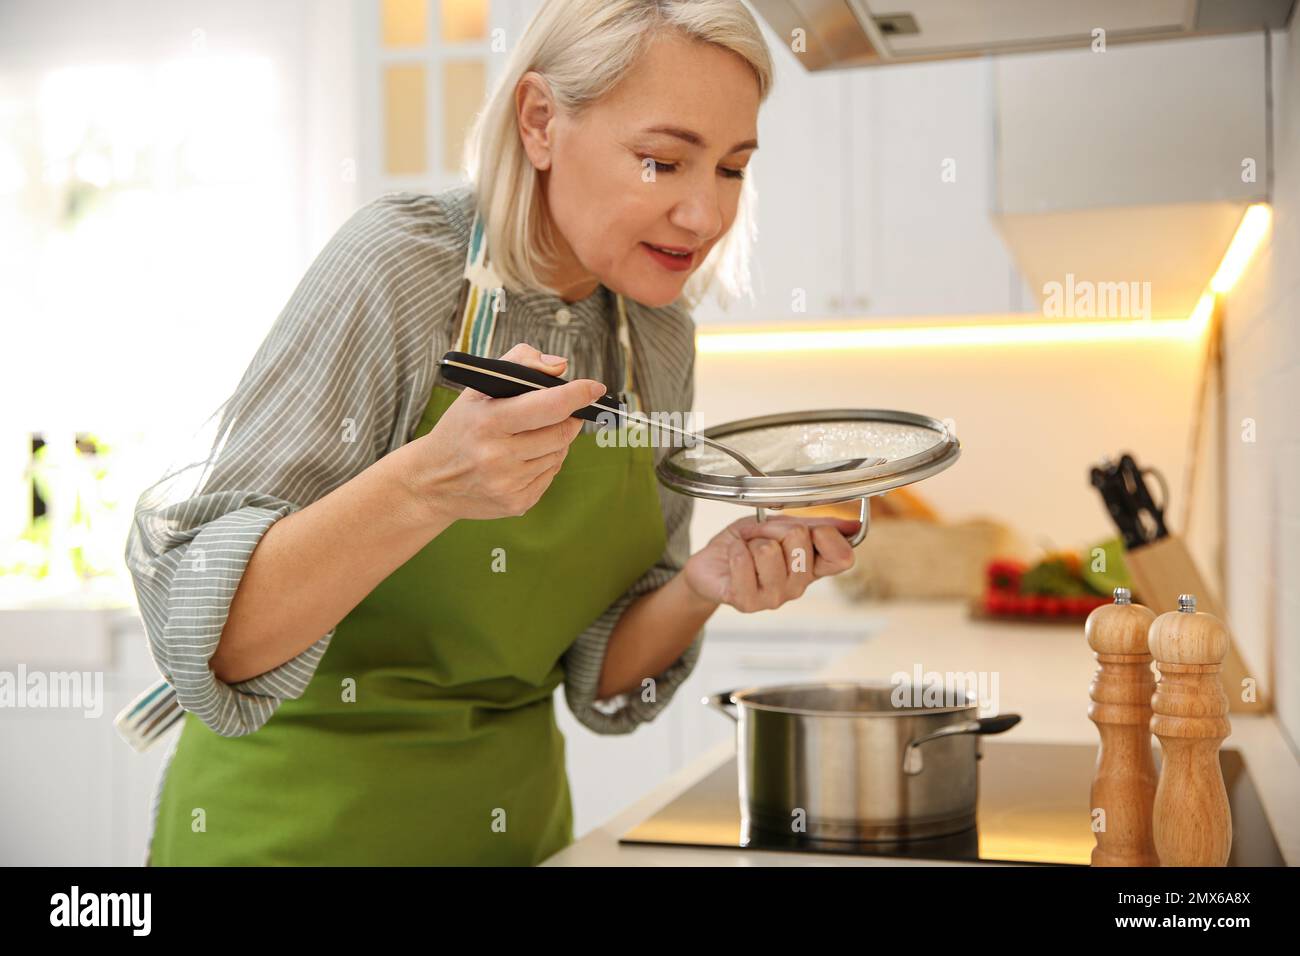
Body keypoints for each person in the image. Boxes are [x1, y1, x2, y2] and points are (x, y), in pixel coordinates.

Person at [124, 0, 860, 866]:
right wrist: (427, 483)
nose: (704, 215)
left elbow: (602, 676)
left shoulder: (658, 336)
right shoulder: (400, 270)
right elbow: (222, 638)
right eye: (663, 161)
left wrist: (705, 582)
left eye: (733, 169)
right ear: (541, 121)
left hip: (511, 833)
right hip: (292, 830)